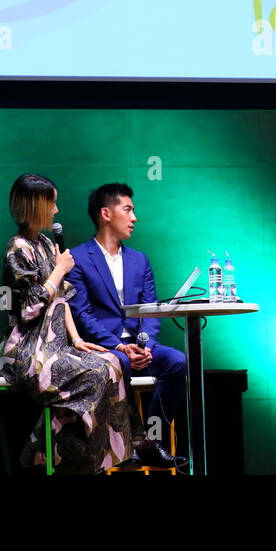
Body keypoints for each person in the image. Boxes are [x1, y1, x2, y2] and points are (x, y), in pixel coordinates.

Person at [0, 174, 137, 473]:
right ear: (36, 205)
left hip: (59, 345)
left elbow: (62, 300)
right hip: (29, 351)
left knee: (112, 361)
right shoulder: (17, 249)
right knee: (95, 372)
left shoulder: (47, 245)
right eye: (52, 203)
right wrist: (59, 271)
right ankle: (56, 453)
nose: (57, 210)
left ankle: (104, 456)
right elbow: (29, 308)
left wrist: (75, 339)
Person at [67, 182, 188, 469]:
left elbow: (151, 309)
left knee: (178, 362)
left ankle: (150, 440)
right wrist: (120, 345)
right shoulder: (78, 258)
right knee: (119, 364)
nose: (134, 217)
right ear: (106, 213)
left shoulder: (139, 260)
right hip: (105, 348)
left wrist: (145, 346)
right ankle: (127, 445)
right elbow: (82, 313)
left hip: (139, 345)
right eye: (128, 209)